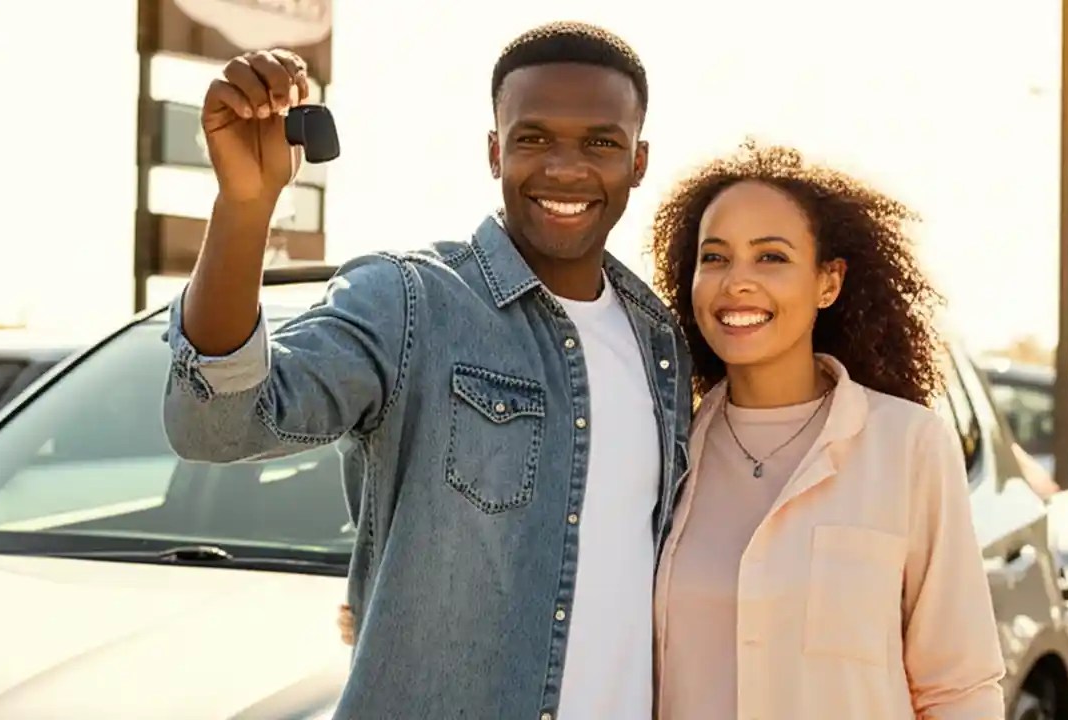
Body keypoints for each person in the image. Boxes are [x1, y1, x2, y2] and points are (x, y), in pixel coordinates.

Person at [161, 21, 691, 720]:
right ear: (495, 150)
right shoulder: (411, 301)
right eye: (533, 138)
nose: (565, 168)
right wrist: (244, 208)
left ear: (639, 159)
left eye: (601, 142)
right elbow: (219, 426)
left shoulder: (662, 342)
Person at [648, 140, 1006, 718]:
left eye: (771, 257)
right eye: (714, 257)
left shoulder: (908, 446)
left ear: (828, 282)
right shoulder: (668, 454)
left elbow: (959, 687)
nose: (736, 281)